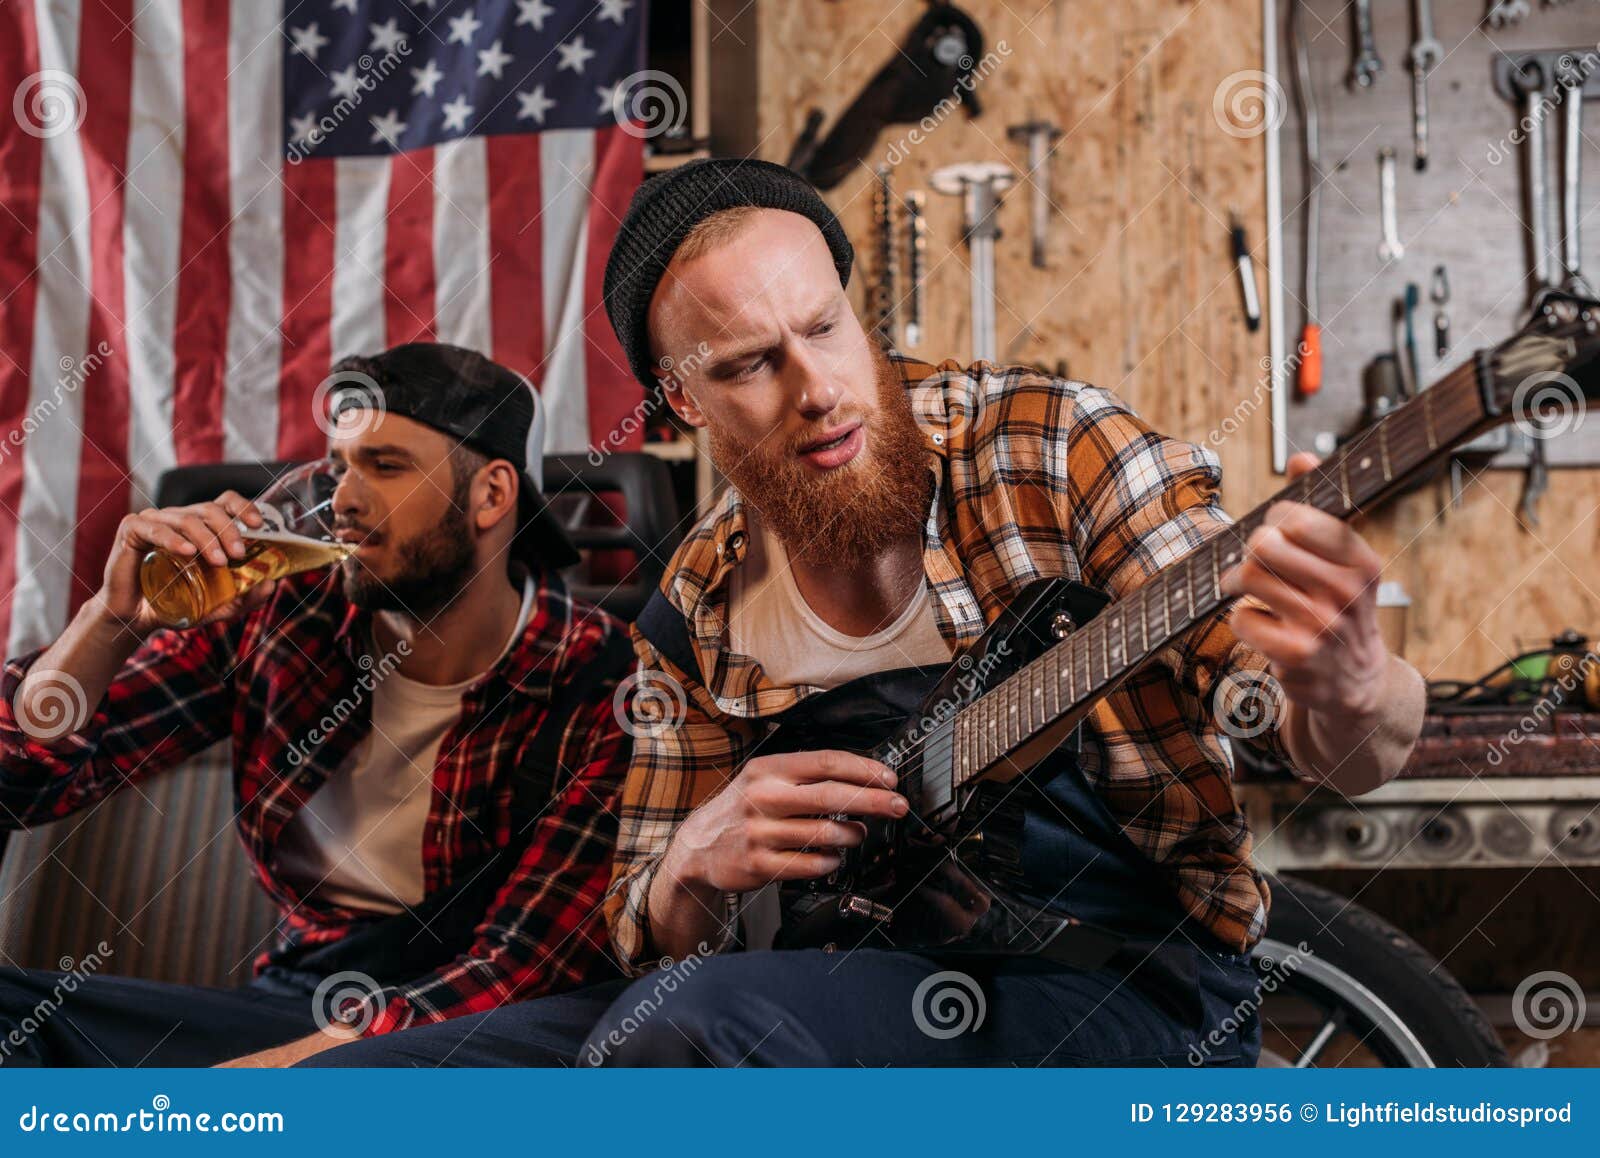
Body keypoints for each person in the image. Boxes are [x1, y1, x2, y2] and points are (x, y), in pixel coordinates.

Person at [302, 159, 1425, 1068]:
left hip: (1133, 988)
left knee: (699, 1033)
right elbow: (645, 926)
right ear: (684, 400)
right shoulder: (695, 601)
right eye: (751, 363)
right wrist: (694, 864)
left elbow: (1329, 741)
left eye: (827, 328)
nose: (818, 387)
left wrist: (1354, 689)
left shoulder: (1050, 447)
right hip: (842, 978)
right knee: (395, 1081)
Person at [0, 344, 634, 1067]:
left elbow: (519, 972)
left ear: (491, 495)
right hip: (298, 1002)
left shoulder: (603, 683)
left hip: (475, 1037)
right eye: (340, 468)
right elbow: (18, 786)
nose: (345, 502)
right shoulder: (283, 617)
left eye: (386, 466)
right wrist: (109, 624)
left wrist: (253, 1092)